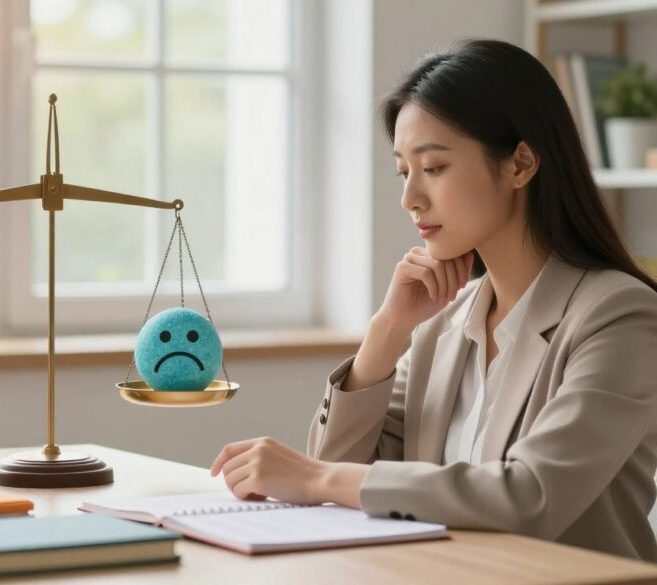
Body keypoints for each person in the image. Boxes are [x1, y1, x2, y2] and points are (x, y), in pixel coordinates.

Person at [209, 38, 657, 561]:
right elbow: (341, 470)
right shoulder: (443, 326)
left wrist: (315, 478)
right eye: (404, 171)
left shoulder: (619, 317)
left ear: (520, 164)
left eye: (434, 168)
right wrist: (386, 332)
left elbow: (530, 495)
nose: (410, 199)